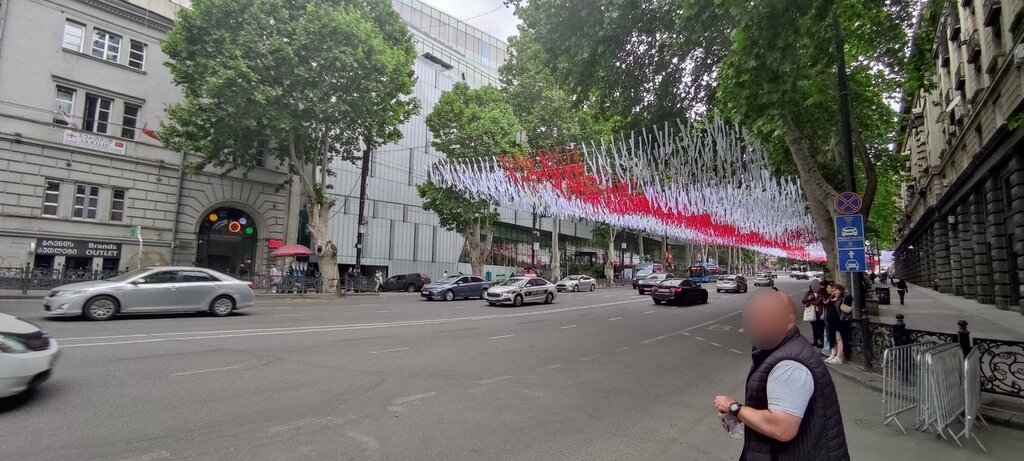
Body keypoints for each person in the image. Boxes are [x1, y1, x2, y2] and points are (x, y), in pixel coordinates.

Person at [714, 289, 849, 460]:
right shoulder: (779, 350)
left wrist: (733, 407)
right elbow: (776, 408)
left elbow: (782, 428)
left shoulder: (790, 365)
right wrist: (742, 414)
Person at [825, 284, 853, 365]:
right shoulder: (832, 298)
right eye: (833, 290)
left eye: (836, 290)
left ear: (840, 290)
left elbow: (849, 298)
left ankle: (839, 356)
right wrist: (831, 297)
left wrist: (845, 292)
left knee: (839, 339)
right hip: (832, 321)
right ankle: (833, 355)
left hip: (840, 321)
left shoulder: (844, 298)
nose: (834, 292)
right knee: (833, 339)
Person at [801, 280, 827, 348]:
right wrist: (808, 298)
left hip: (819, 311)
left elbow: (823, 300)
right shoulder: (809, 293)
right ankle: (815, 340)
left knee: (820, 326)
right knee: (814, 326)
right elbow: (803, 301)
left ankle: (821, 341)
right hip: (811, 311)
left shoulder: (822, 292)